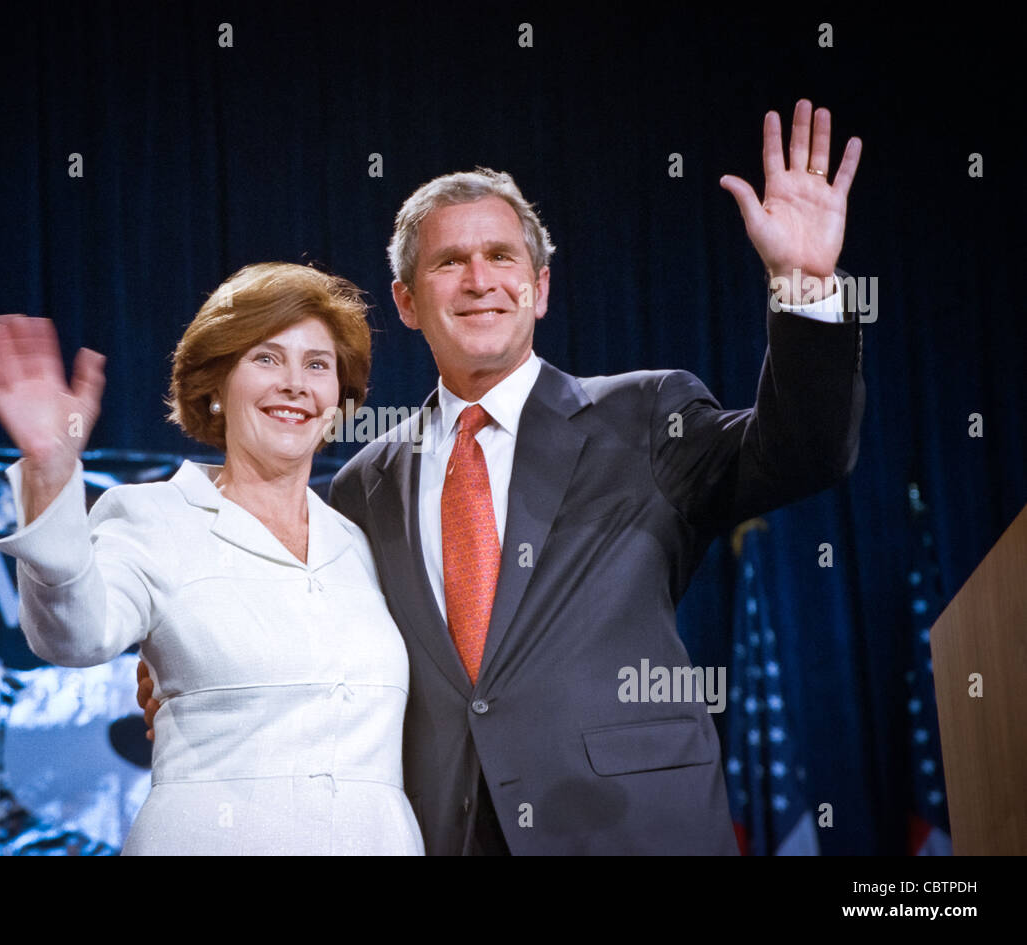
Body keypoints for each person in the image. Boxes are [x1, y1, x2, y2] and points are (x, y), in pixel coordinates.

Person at [138, 99, 866, 854]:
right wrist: (191, 669)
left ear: (540, 288)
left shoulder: (647, 414)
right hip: (441, 831)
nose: (479, 279)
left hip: (629, 828)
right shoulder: (362, 481)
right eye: (449, 262)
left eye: (501, 256)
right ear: (408, 301)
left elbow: (804, 452)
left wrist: (805, 288)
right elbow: (317, 638)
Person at [0, 262, 424, 855]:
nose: (294, 383)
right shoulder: (153, 516)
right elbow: (73, 636)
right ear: (215, 387)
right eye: (266, 359)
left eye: (317, 365)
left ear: (339, 398)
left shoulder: (362, 541)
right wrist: (51, 475)